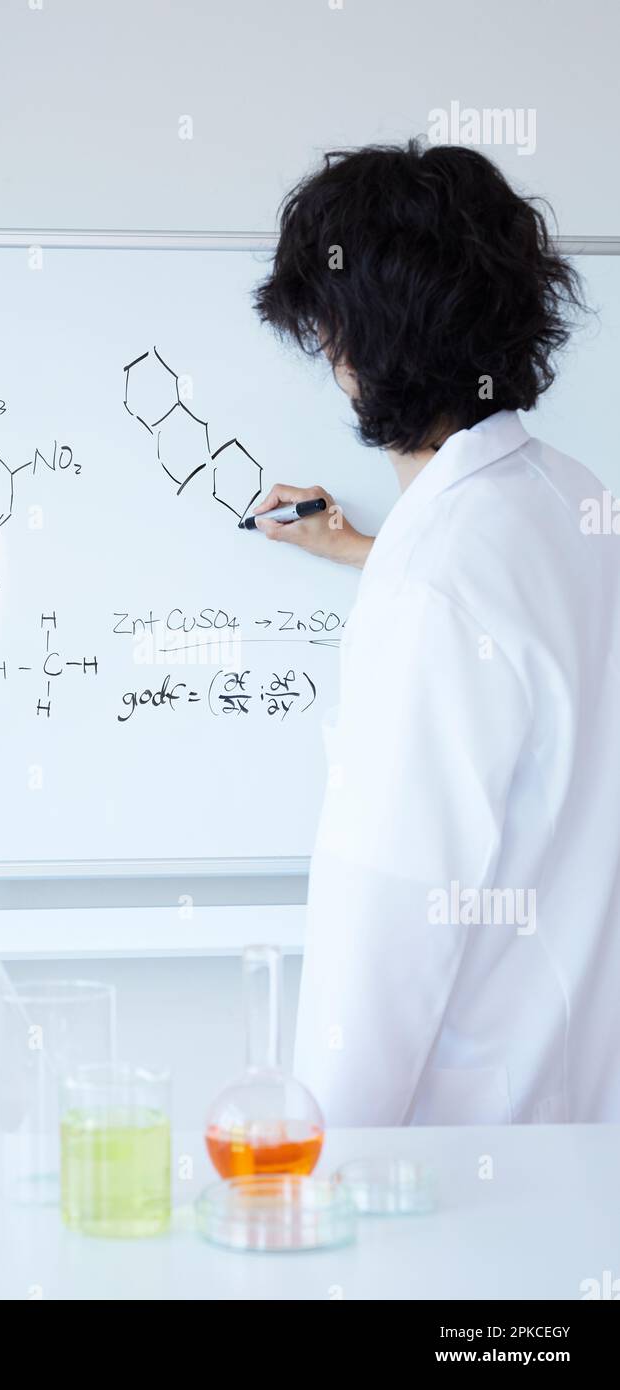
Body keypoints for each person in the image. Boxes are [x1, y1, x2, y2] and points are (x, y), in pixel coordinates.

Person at [251, 139, 620, 1124]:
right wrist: (364, 550)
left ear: (345, 342)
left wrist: (309, 1170)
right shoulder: (578, 505)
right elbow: (530, 647)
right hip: (579, 1138)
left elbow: (388, 927)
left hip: (451, 1174)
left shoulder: (433, 586)